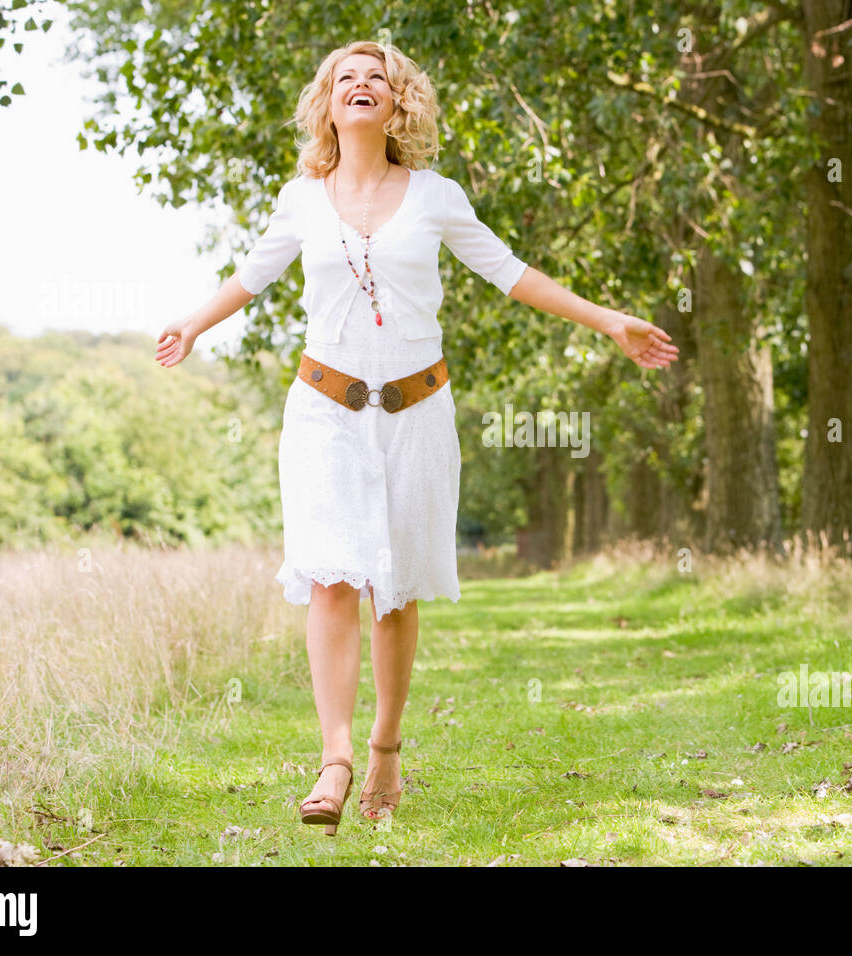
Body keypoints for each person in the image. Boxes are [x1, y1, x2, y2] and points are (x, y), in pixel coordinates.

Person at [155, 40, 678, 835]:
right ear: (329, 104)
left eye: (377, 78)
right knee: (331, 579)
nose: (361, 86)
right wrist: (191, 323)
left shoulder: (435, 195)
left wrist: (608, 321)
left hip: (416, 414)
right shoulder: (303, 199)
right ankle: (333, 762)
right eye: (346, 79)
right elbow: (251, 275)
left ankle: (386, 747)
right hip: (324, 413)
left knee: (392, 589)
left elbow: (511, 272)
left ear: (398, 104)